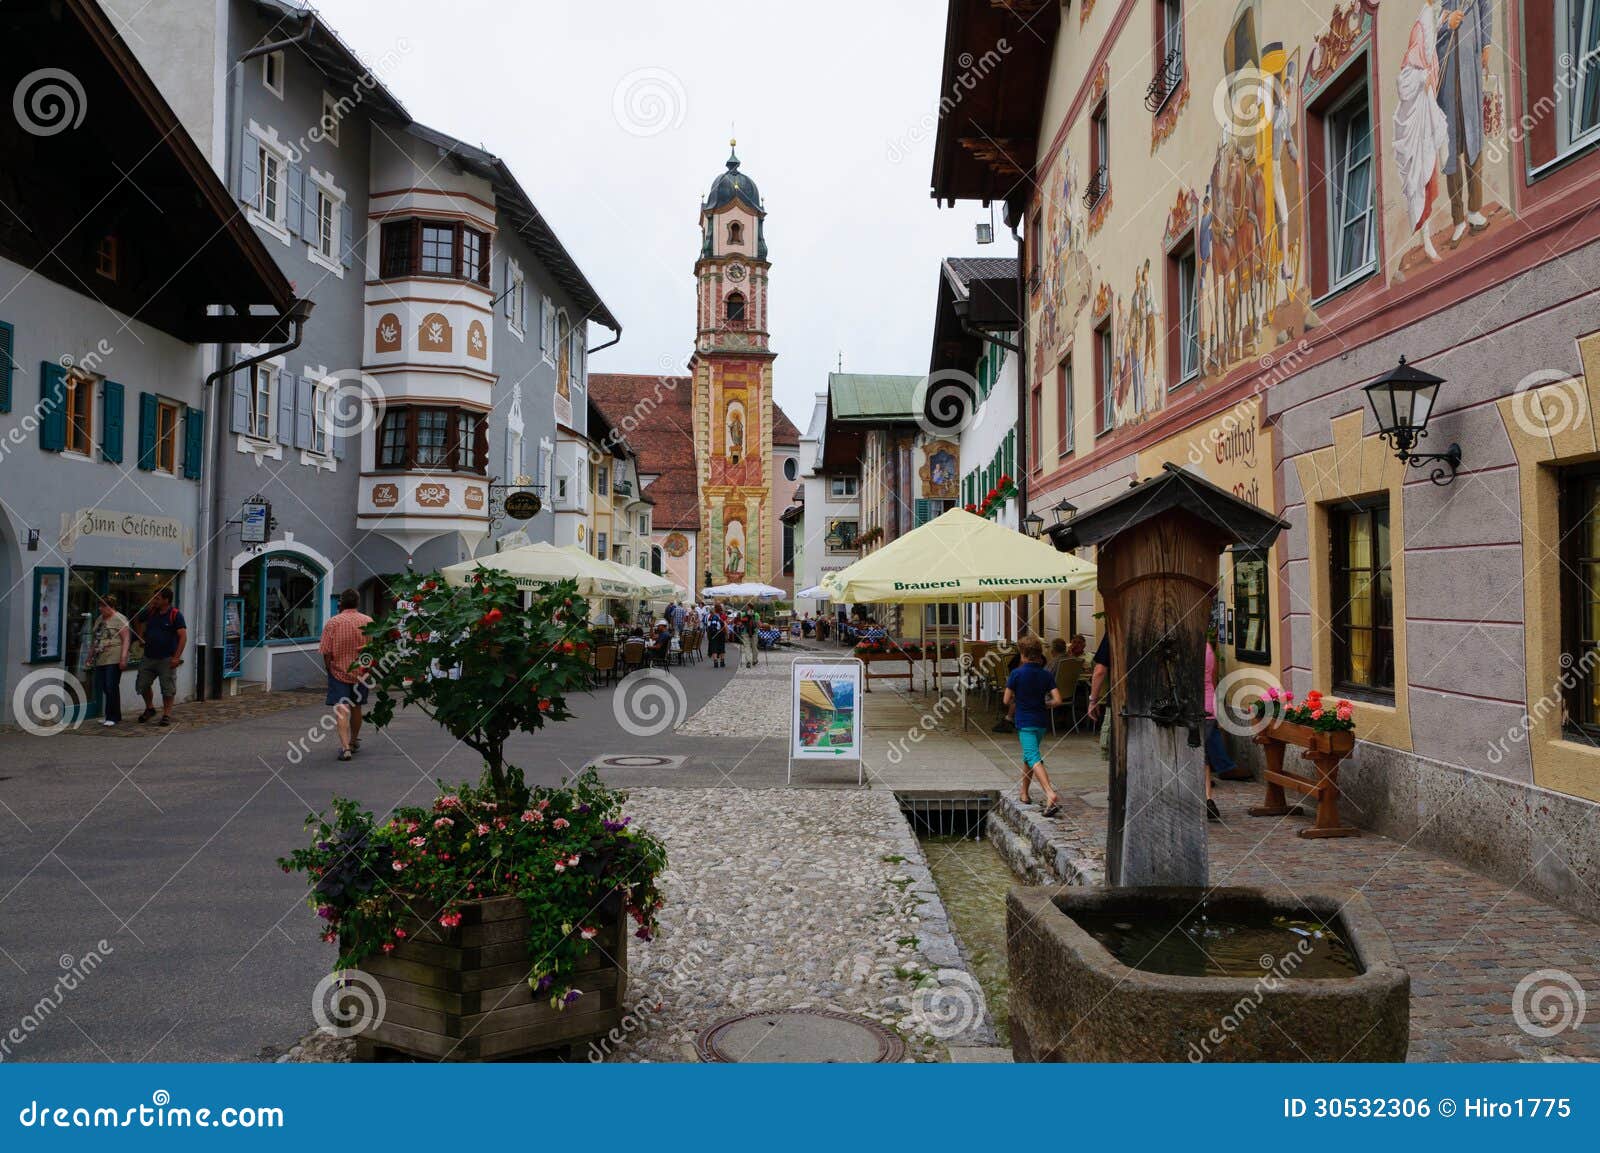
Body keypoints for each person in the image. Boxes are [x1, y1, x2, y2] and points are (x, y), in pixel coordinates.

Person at [1395, 0, 1448, 264]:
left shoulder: (1430, 22)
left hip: (1427, 112)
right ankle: (1426, 241)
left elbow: (1431, 47)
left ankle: (1428, 240)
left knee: (1430, 175)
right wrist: (1421, 79)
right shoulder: (1419, 28)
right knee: (1422, 179)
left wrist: (1442, 23)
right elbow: (1404, 79)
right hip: (1417, 120)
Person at [1004, 635, 1062, 817]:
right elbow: (1057, 700)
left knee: (1033, 756)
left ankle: (1050, 793)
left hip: (1025, 721)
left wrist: (1020, 700)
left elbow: (1006, 700)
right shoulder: (1046, 674)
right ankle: (1024, 793)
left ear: (1022, 654)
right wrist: (1044, 705)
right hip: (1041, 722)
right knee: (1029, 756)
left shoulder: (1016, 674)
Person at [319, 588, 373, 762]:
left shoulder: (333, 623)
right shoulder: (367, 621)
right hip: (361, 672)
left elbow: (326, 651)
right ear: (357, 602)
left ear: (341, 602)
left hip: (338, 671)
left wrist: (329, 668)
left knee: (342, 708)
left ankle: (345, 748)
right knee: (357, 707)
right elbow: (373, 648)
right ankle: (353, 740)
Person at [134, 588, 186, 725]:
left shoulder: (175, 615)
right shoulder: (151, 612)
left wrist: (176, 657)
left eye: (157, 598)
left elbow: (183, 637)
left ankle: (166, 714)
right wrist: (140, 637)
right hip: (149, 656)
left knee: (167, 688)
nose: (154, 600)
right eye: (154, 597)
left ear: (166, 600)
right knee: (142, 684)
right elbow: (137, 619)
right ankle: (150, 708)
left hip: (167, 658)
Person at [90, 594, 131, 727]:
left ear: (110, 607)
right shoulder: (99, 619)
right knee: (104, 686)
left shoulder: (120, 618)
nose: (100, 609)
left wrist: (123, 657)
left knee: (111, 686)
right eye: (99, 606)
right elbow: (95, 638)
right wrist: (90, 656)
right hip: (100, 657)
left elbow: (126, 639)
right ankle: (113, 714)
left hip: (114, 656)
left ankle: (112, 717)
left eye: (102, 606)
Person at [1087, 633, 1111, 760]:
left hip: (1119, 700)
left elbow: (1100, 671)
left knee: (1113, 749)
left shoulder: (1113, 632)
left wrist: (1093, 700)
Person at [707, 604, 728, 668]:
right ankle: (722, 662)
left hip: (713, 634)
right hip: (721, 633)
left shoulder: (711, 616)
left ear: (715, 609)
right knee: (721, 647)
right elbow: (725, 626)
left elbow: (708, 626)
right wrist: (727, 634)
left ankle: (715, 662)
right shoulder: (723, 616)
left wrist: (708, 635)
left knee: (714, 647)